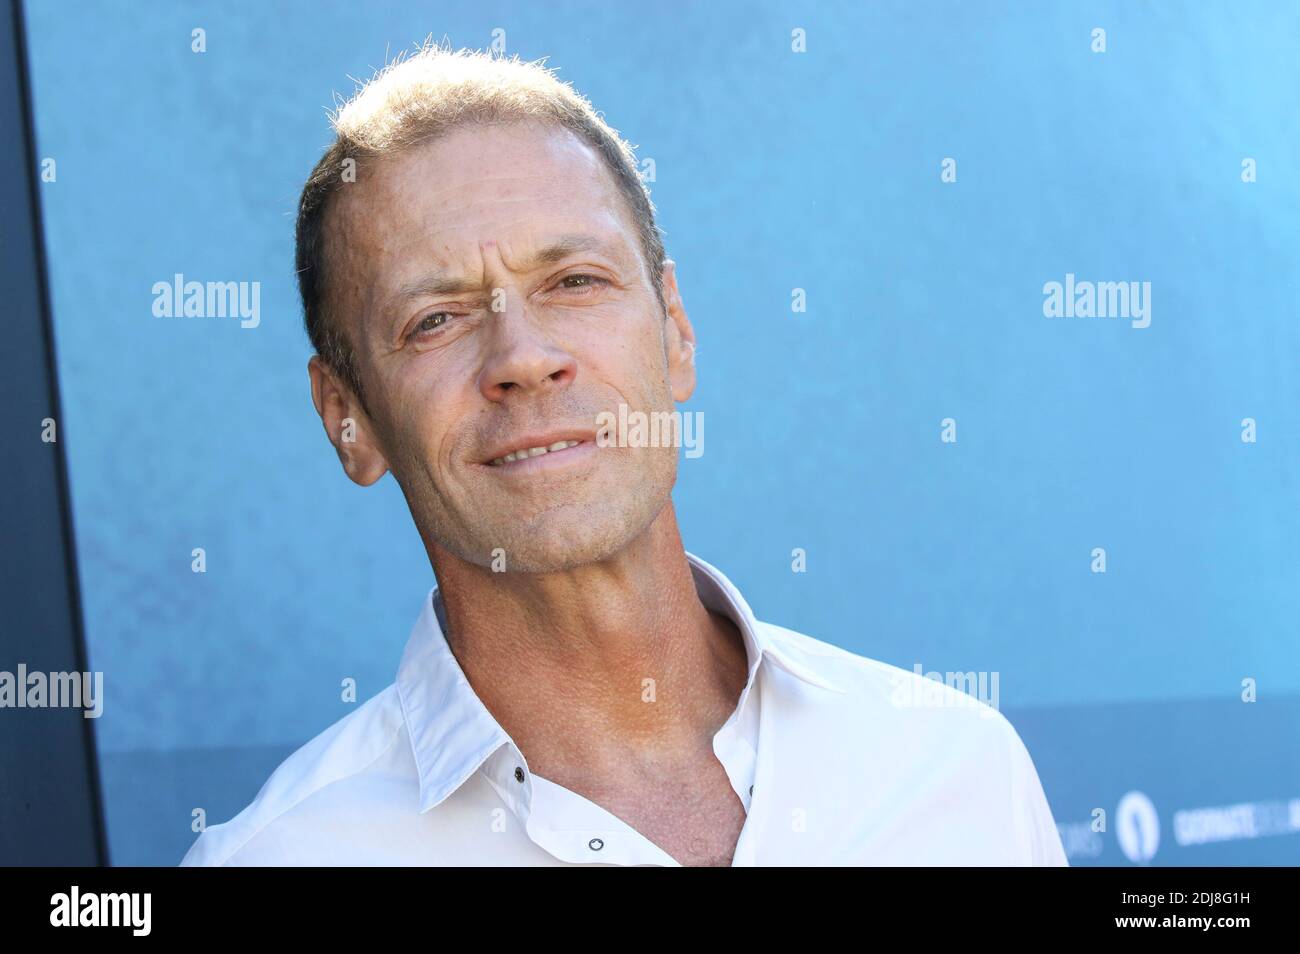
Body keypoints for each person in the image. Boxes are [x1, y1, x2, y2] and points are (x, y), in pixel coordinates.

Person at [181, 44, 1067, 867]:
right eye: (436, 320)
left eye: (573, 282)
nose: (523, 359)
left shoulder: (957, 770)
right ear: (349, 420)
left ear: (675, 331)